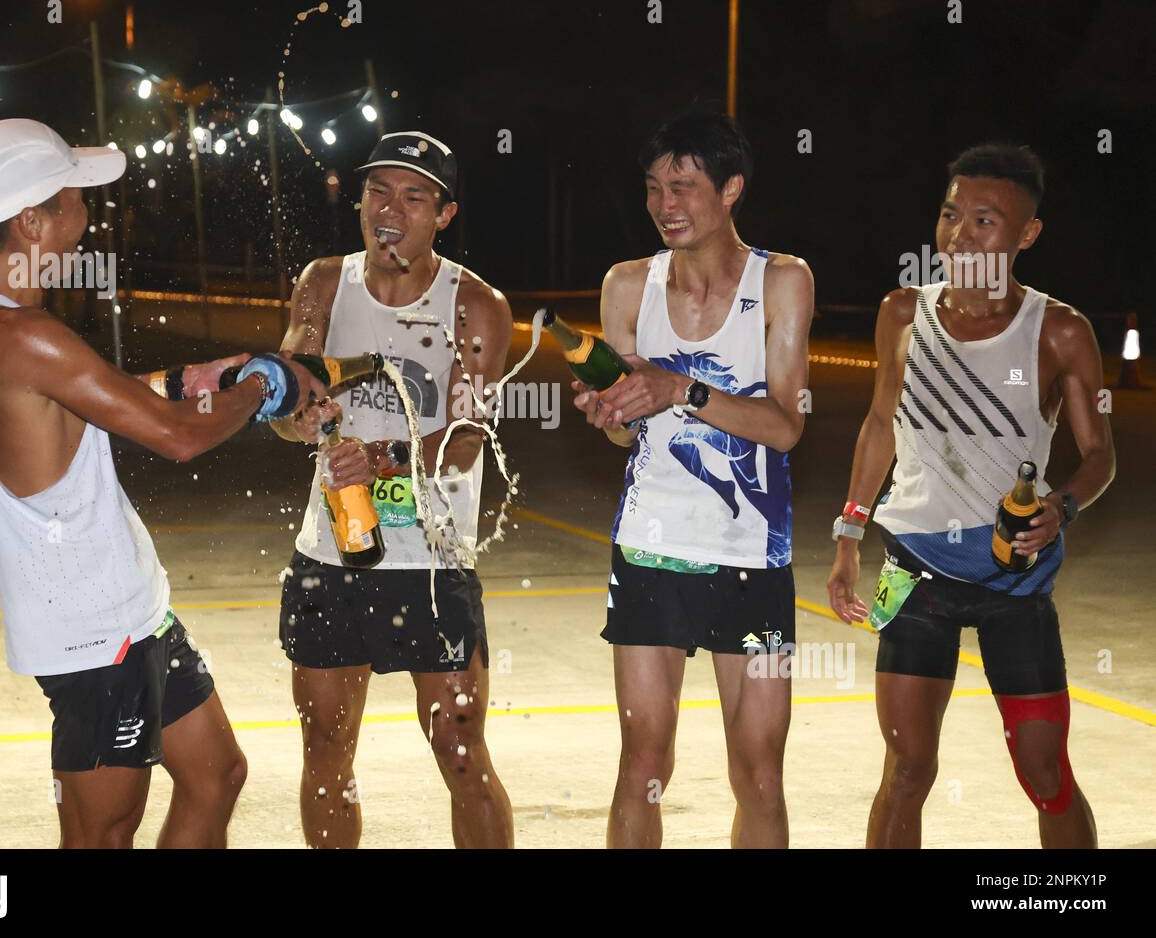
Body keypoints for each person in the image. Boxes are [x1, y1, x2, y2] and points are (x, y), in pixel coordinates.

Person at [0, 118, 325, 847]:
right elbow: (177, 437)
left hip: (132, 614)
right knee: (102, 836)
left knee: (217, 776)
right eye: (76, 195)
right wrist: (261, 387)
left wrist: (190, 378)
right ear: (32, 220)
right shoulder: (26, 337)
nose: (89, 210)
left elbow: (77, 399)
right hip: (93, 637)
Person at [826, 143, 1114, 848]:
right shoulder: (901, 313)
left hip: (1015, 579)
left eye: (986, 221)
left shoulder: (1060, 330)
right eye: (951, 214)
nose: (960, 234)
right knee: (905, 768)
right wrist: (846, 534)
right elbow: (879, 423)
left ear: (1027, 234)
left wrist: (1064, 507)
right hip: (909, 572)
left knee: (1044, 773)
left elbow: (1100, 454)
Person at [574, 107, 815, 848]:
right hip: (650, 546)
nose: (664, 206)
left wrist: (680, 388)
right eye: (653, 188)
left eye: (683, 187)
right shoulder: (626, 285)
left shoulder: (783, 282)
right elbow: (623, 433)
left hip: (754, 555)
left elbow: (785, 425)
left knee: (760, 774)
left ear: (732, 187)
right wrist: (608, 406)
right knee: (644, 762)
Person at [272, 132, 515, 848]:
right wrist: (299, 417)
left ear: (444, 215)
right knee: (325, 757)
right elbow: (288, 411)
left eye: (414, 196)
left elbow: (469, 441)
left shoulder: (475, 305)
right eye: (379, 190)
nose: (391, 208)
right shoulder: (322, 282)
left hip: (433, 566)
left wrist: (383, 456)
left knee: (462, 757)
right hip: (333, 555)